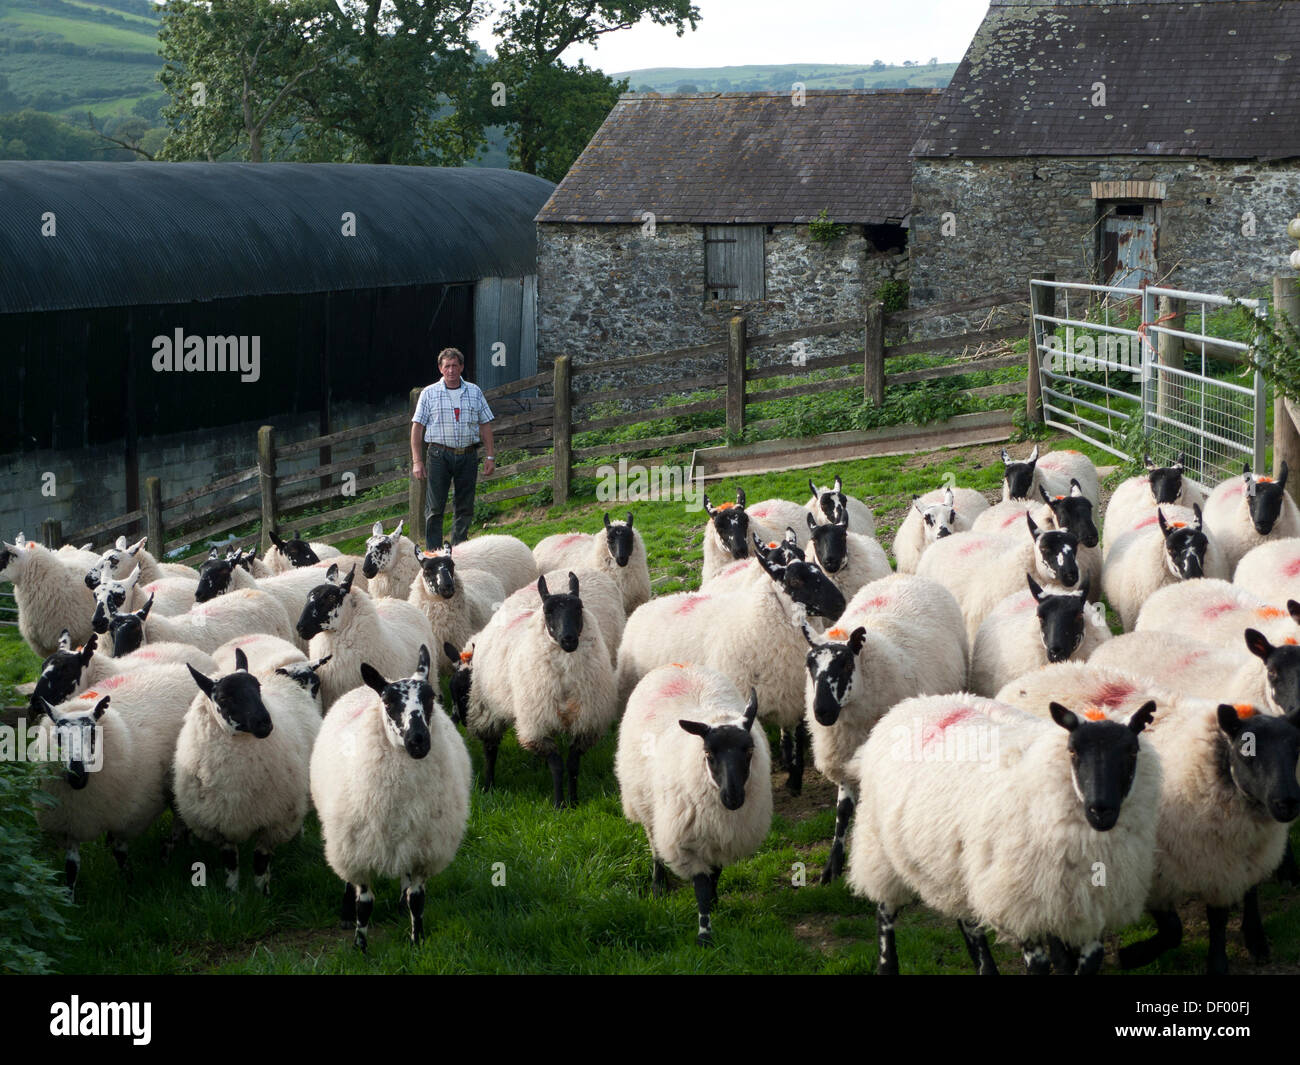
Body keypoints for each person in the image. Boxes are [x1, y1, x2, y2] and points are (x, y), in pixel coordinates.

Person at [410, 347, 495, 548]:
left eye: (455, 365)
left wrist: (490, 456)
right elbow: (417, 427)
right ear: (440, 368)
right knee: (435, 507)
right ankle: (433, 552)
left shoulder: (474, 391)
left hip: (468, 455)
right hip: (439, 455)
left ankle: (459, 549)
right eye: (447, 366)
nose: (451, 370)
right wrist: (417, 460)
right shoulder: (429, 394)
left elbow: (485, 425)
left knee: (465, 506)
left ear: (462, 367)